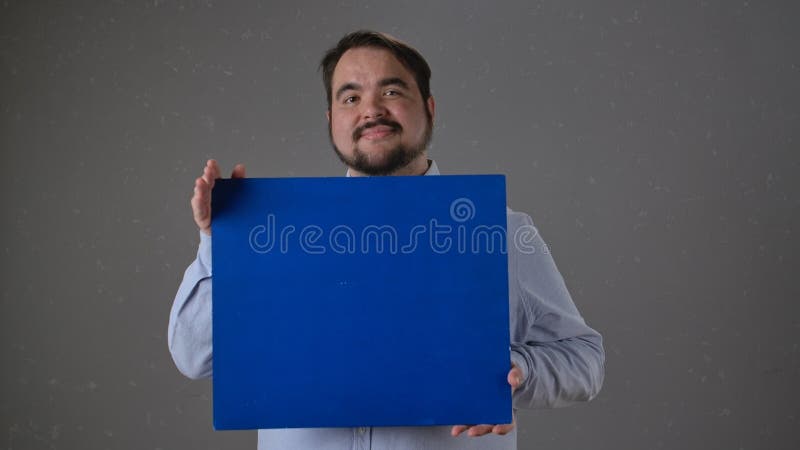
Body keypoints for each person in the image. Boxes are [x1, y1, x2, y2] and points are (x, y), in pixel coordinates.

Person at [169, 30, 604, 450]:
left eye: (392, 92)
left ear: (429, 108)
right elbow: (195, 358)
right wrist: (219, 241)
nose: (371, 110)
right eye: (351, 97)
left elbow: (584, 361)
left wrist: (519, 370)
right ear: (331, 120)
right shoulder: (273, 237)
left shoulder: (501, 230)